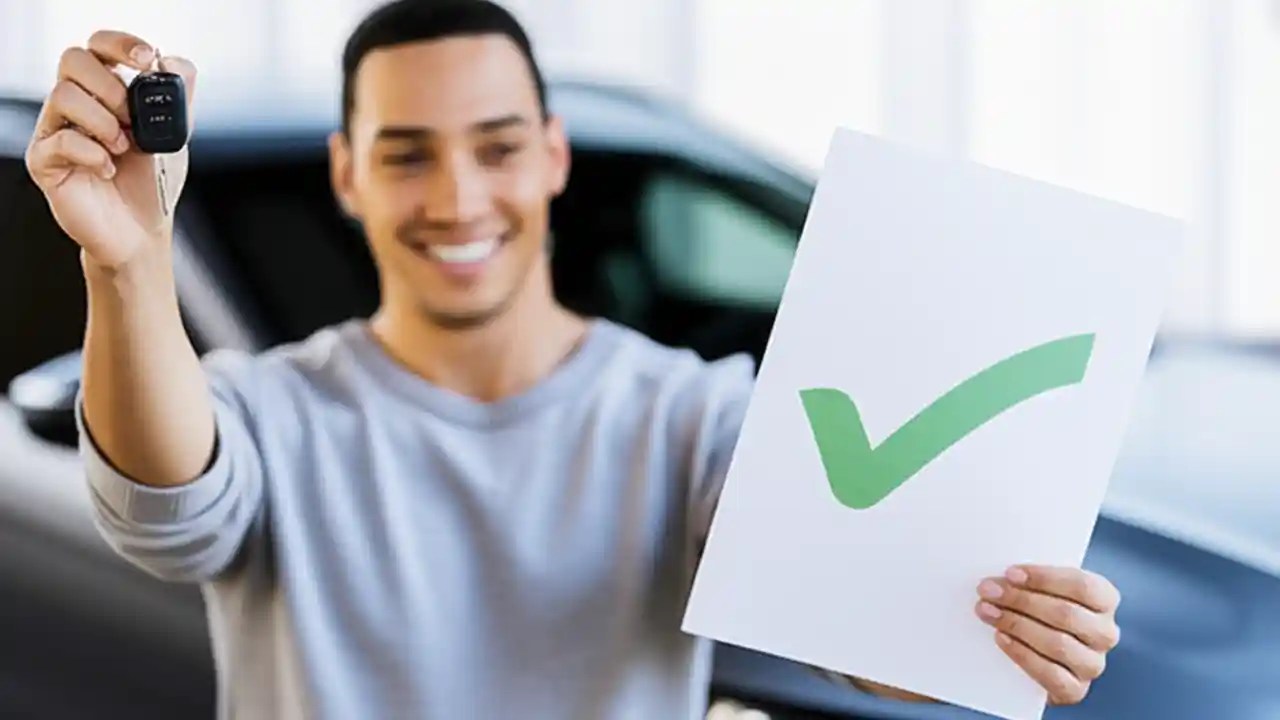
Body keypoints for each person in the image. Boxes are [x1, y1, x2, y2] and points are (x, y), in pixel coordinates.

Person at [24, 1, 1122, 718]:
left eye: (496, 147)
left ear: (551, 157)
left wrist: (997, 630)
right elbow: (168, 512)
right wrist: (131, 263)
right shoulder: (271, 409)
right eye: (406, 155)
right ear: (348, 174)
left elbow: (838, 615)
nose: (458, 198)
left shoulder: (692, 416)